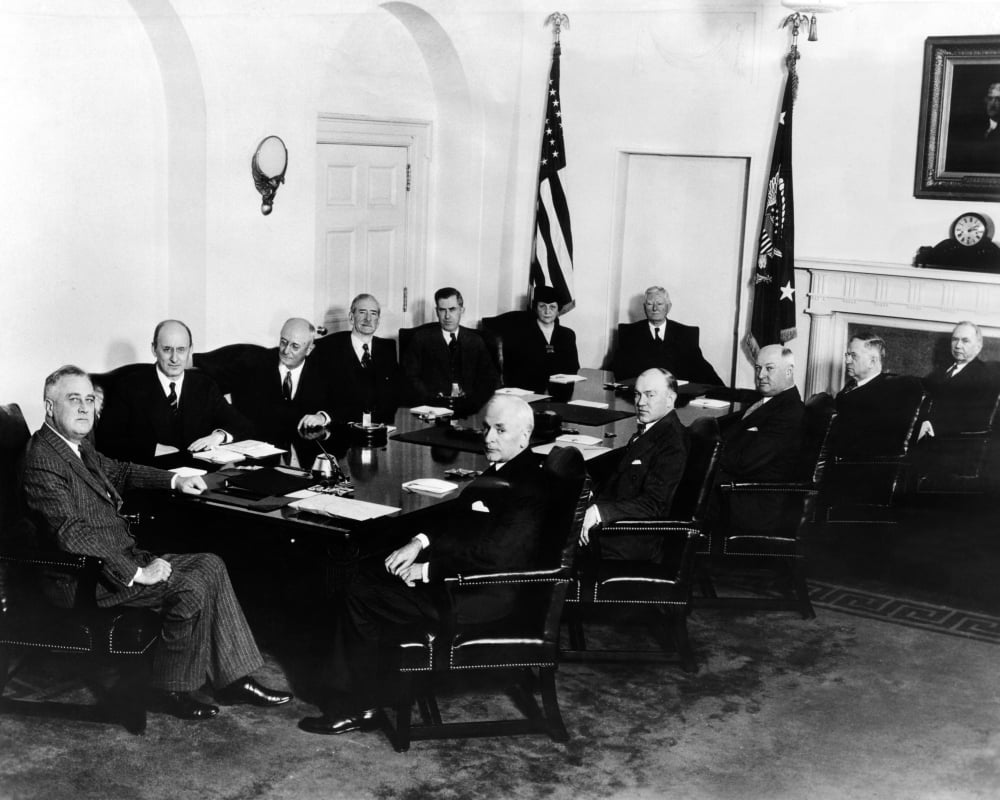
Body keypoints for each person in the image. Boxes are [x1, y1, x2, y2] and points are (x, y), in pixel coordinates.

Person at [21, 365, 291, 720]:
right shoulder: (43, 459)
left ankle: (233, 677)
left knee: (211, 563)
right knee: (190, 587)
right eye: (74, 400)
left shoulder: (75, 446)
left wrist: (174, 480)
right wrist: (136, 572)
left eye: (89, 399)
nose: (85, 408)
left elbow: (121, 471)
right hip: (81, 578)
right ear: (49, 406)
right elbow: (71, 533)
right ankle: (172, 690)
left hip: (111, 557)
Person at [298, 394, 548, 735]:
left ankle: (357, 705)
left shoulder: (528, 486)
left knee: (359, 590)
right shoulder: (506, 467)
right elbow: (460, 516)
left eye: (500, 430)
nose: (488, 438)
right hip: (461, 577)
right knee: (368, 568)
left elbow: (497, 557)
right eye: (487, 428)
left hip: (480, 595)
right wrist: (419, 542)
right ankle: (374, 690)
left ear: (525, 434)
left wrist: (427, 569)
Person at [96, 319, 253, 464]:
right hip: (151, 476)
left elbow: (241, 425)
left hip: (200, 477)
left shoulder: (204, 385)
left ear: (190, 349)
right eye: (167, 349)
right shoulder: (129, 386)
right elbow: (107, 440)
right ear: (154, 349)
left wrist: (218, 436)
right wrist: (152, 448)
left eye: (181, 350)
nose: (175, 358)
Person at [579, 368, 689, 562]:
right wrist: (591, 493)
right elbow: (621, 480)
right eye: (637, 394)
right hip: (617, 524)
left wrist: (598, 512)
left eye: (650, 395)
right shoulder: (652, 430)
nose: (640, 403)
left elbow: (654, 504)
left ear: (670, 399)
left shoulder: (672, 443)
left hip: (631, 537)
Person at [711, 344, 805, 532]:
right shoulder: (769, 399)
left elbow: (745, 461)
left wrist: (709, 454)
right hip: (737, 485)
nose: (760, 375)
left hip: (753, 500)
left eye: (769, 368)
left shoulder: (790, 412)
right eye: (758, 368)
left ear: (789, 371)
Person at [230, 317, 334, 444]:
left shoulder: (323, 370)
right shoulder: (257, 366)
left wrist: (322, 417)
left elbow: (344, 404)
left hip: (306, 451)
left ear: (309, 349)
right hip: (262, 449)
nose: (286, 351)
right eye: (283, 342)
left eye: (295, 346)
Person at [401, 287, 500, 415]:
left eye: (452, 309)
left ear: (462, 310)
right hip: (432, 409)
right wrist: (433, 401)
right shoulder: (421, 339)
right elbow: (410, 378)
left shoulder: (475, 341)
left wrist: (474, 403)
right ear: (437, 311)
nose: (447, 316)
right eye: (442, 310)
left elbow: (489, 378)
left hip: (469, 410)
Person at [831, 331, 924, 458]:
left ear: (872, 362)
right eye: (847, 355)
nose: (847, 360)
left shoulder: (886, 393)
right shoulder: (851, 387)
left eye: (853, 356)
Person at [311, 294, 401, 424]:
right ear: (351, 317)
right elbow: (320, 395)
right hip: (341, 426)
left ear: (379, 320)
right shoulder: (327, 348)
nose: (368, 319)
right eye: (362, 312)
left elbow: (393, 393)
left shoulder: (387, 348)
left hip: (380, 427)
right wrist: (325, 416)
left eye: (373, 313)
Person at [612, 286, 724, 385]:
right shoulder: (629, 333)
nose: (655, 308)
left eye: (660, 304)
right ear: (644, 307)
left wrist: (726, 394)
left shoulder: (686, 334)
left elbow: (703, 370)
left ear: (668, 307)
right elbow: (616, 368)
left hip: (677, 398)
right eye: (650, 304)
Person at [919, 321, 1000, 441]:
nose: (958, 345)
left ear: (978, 347)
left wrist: (932, 427)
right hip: (925, 436)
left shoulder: (984, 376)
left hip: (955, 444)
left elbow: (974, 418)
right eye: (955, 339)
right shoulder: (940, 372)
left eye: (965, 341)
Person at [497, 286, 580, 392]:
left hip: (560, 390)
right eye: (542, 306)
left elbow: (573, 367)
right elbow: (514, 369)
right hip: (529, 390)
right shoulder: (520, 333)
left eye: (552, 307)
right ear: (536, 308)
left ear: (558, 309)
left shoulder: (567, 335)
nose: (547, 311)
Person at [946, 81, 1000, 174]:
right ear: (985, 100)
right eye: (990, 98)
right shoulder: (973, 128)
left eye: (998, 99)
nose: (993, 104)